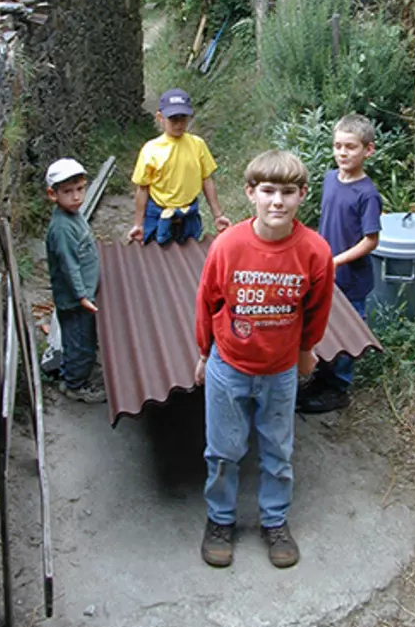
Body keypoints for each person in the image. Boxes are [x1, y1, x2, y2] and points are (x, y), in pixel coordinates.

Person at [194, 150, 334, 569]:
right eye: (268, 191)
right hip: (229, 366)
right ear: (250, 192)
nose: (277, 201)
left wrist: (306, 350)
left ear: (302, 195)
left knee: (277, 449)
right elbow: (208, 302)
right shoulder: (229, 245)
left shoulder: (315, 251)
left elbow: (317, 309)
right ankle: (220, 520)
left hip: (279, 371)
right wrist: (204, 354)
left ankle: (274, 521)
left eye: (288, 192)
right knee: (223, 450)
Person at [299, 113, 382, 413]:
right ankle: (322, 377)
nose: (343, 153)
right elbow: (326, 221)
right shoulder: (331, 178)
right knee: (324, 325)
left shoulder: (367, 194)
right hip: (325, 271)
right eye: (338, 146)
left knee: (347, 330)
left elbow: (371, 240)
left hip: (352, 279)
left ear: (368, 150)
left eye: (351, 147)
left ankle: (338, 388)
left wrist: (337, 261)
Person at [127, 88, 230, 245]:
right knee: (157, 256)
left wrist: (217, 215)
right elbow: (143, 188)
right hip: (158, 214)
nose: (179, 124)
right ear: (160, 117)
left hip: (188, 213)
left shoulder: (197, 145)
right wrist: (138, 224)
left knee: (188, 256)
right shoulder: (151, 150)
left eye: (183, 118)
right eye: (173, 119)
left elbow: (206, 180)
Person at [45, 158, 106, 404]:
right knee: (80, 342)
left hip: (83, 296)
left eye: (80, 189)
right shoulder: (61, 228)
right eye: (68, 192)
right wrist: (82, 296)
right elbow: (69, 267)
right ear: (53, 194)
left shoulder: (73, 215)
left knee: (82, 339)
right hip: (75, 301)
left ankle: (77, 372)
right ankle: (74, 385)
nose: (77, 197)